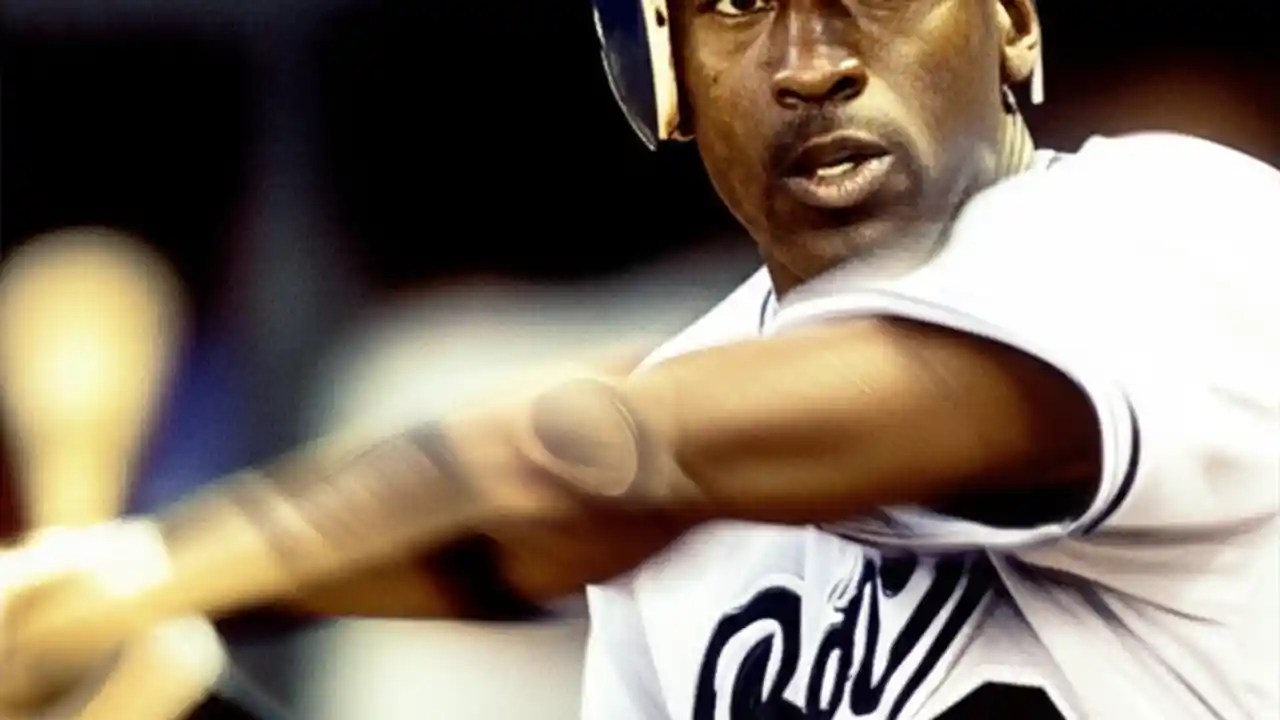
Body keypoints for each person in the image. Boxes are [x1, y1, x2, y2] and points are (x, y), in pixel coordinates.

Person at [1, 1, 1276, 718]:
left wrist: (143, 573)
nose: (814, 63)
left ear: (1008, 24)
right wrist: (161, 694)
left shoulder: (1178, 234)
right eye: (732, 8)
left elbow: (613, 467)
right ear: (652, 76)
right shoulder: (685, 495)